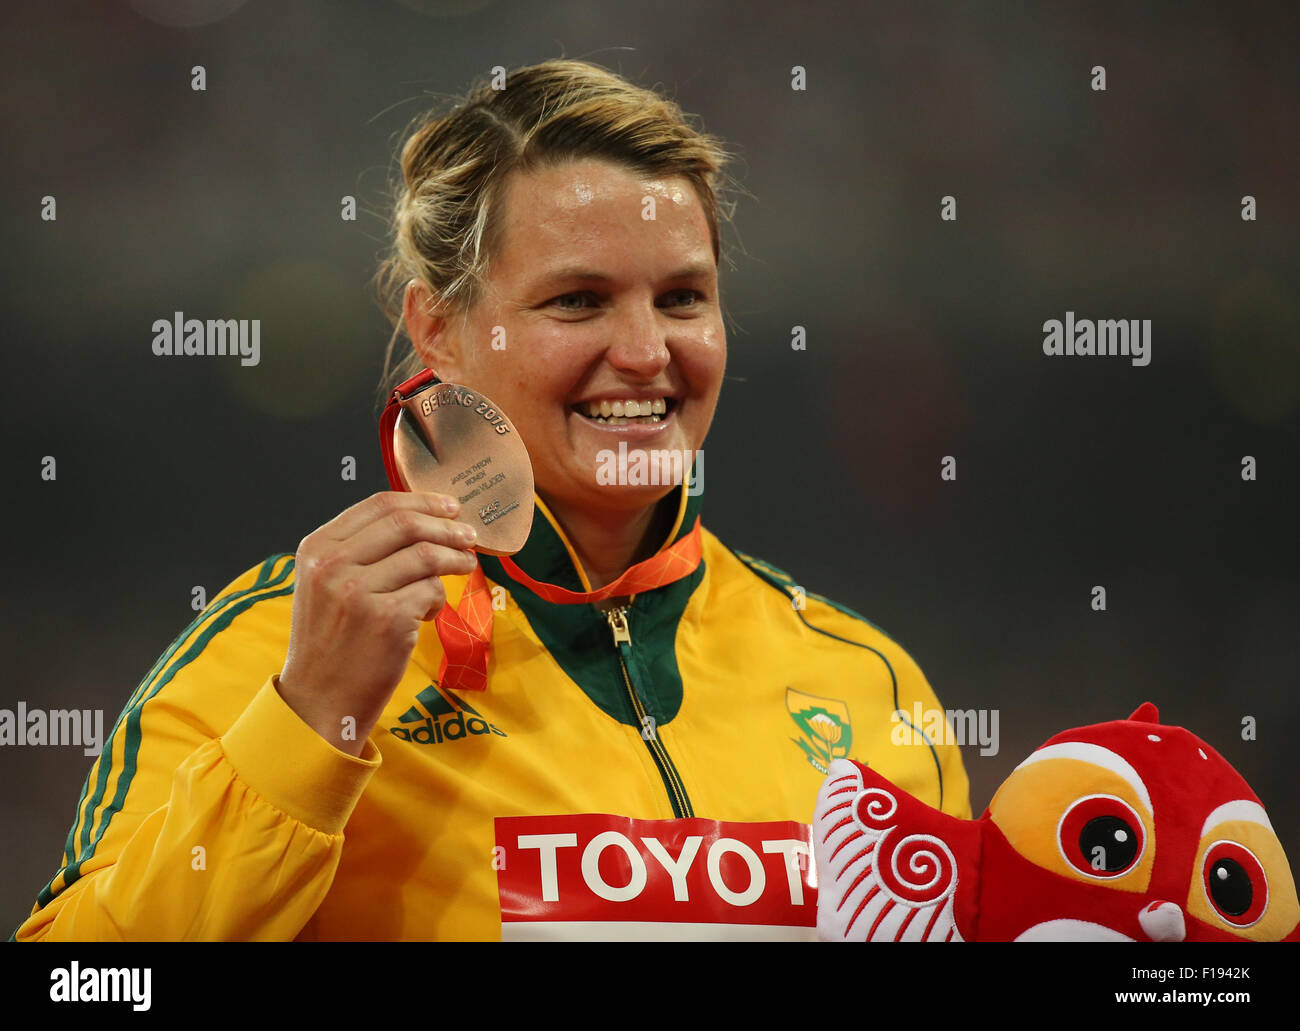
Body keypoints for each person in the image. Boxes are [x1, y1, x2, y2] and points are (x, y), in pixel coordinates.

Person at [14, 59, 970, 942]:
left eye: (682, 298)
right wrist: (308, 725)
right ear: (440, 330)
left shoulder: (869, 685)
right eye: (576, 301)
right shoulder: (281, 651)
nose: (645, 352)